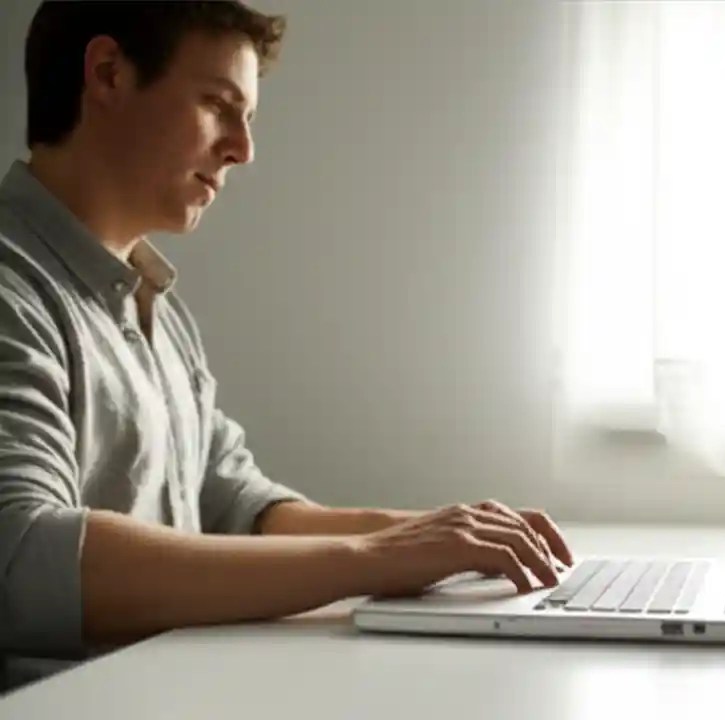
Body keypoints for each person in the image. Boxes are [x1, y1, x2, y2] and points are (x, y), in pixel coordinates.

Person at [0, 0, 573, 687]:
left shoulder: (158, 308)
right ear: (108, 73)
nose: (243, 148)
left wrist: (441, 537)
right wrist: (371, 556)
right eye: (218, 104)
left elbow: (237, 506)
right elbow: (25, 560)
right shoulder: (12, 286)